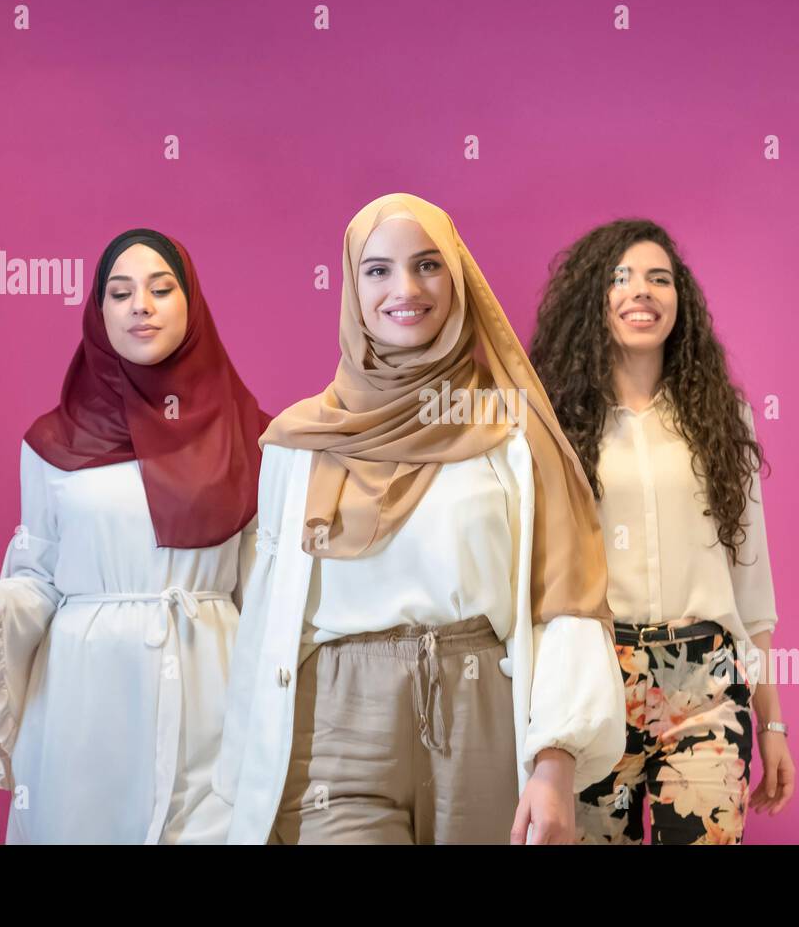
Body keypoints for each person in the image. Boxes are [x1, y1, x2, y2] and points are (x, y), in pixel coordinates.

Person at [213, 192, 625, 844]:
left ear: (457, 278)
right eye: (378, 269)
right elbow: (266, 615)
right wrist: (241, 778)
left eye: (428, 265)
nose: (405, 289)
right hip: (335, 721)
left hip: (479, 707)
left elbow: (565, 603)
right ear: (353, 286)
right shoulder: (298, 443)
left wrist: (555, 762)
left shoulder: (514, 434)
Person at [0, 228, 270, 843]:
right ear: (99, 312)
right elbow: (40, 580)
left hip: (213, 695)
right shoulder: (52, 444)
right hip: (85, 706)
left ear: (191, 305)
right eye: (120, 293)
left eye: (161, 289)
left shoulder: (252, 439)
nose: (141, 305)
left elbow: (264, 592)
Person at [529, 219, 795, 844]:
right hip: (594, 679)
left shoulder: (722, 418)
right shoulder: (555, 424)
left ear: (681, 300)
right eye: (620, 278)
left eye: (659, 278)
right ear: (593, 297)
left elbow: (751, 584)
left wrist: (773, 725)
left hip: (706, 683)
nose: (641, 291)